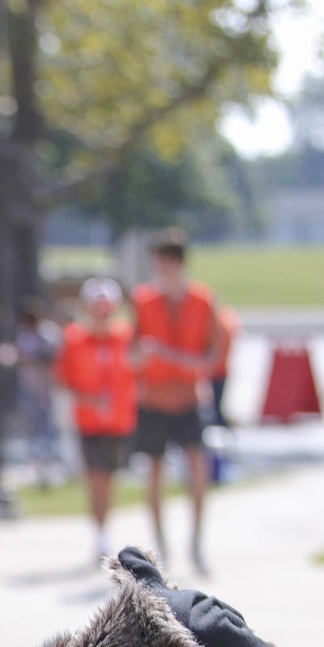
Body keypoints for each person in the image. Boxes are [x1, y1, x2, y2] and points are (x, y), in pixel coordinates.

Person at [131, 230, 227, 574]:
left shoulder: (203, 300)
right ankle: (160, 544)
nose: (162, 267)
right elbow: (132, 351)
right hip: (154, 398)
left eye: (167, 260)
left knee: (197, 467)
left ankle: (197, 540)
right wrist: (142, 358)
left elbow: (214, 354)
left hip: (188, 397)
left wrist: (179, 359)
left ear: (177, 262)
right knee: (154, 470)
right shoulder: (143, 300)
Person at [57, 278, 136, 560]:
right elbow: (64, 379)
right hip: (89, 420)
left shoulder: (126, 337)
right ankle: (100, 534)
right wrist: (87, 400)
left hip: (117, 420)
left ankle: (106, 528)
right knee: (95, 477)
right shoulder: (75, 339)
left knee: (110, 477)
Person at [14, 297, 64, 487]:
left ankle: (51, 463)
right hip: (28, 387)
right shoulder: (24, 334)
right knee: (31, 426)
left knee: (48, 426)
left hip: (46, 387)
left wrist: (31, 358)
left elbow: (52, 357)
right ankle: (35, 463)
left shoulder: (48, 332)